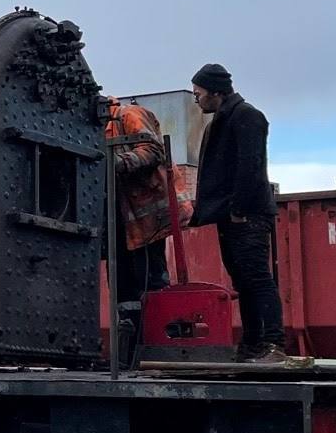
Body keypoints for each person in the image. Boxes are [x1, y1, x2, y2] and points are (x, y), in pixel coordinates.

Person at [185, 65, 286, 362]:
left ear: (216, 91)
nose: (196, 100)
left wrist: (240, 210)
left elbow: (250, 166)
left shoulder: (247, 116)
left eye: (199, 94)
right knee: (243, 282)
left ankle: (274, 345)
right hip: (230, 216)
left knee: (256, 279)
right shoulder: (222, 120)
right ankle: (253, 345)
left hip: (246, 215)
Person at [107, 98, 183, 348]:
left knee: (151, 281)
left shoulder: (128, 115)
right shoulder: (93, 126)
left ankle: (160, 341)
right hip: (118, 221)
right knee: (122, 285)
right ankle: (131, 342)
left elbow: (153, 150)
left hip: (145, 219)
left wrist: (115, 162)